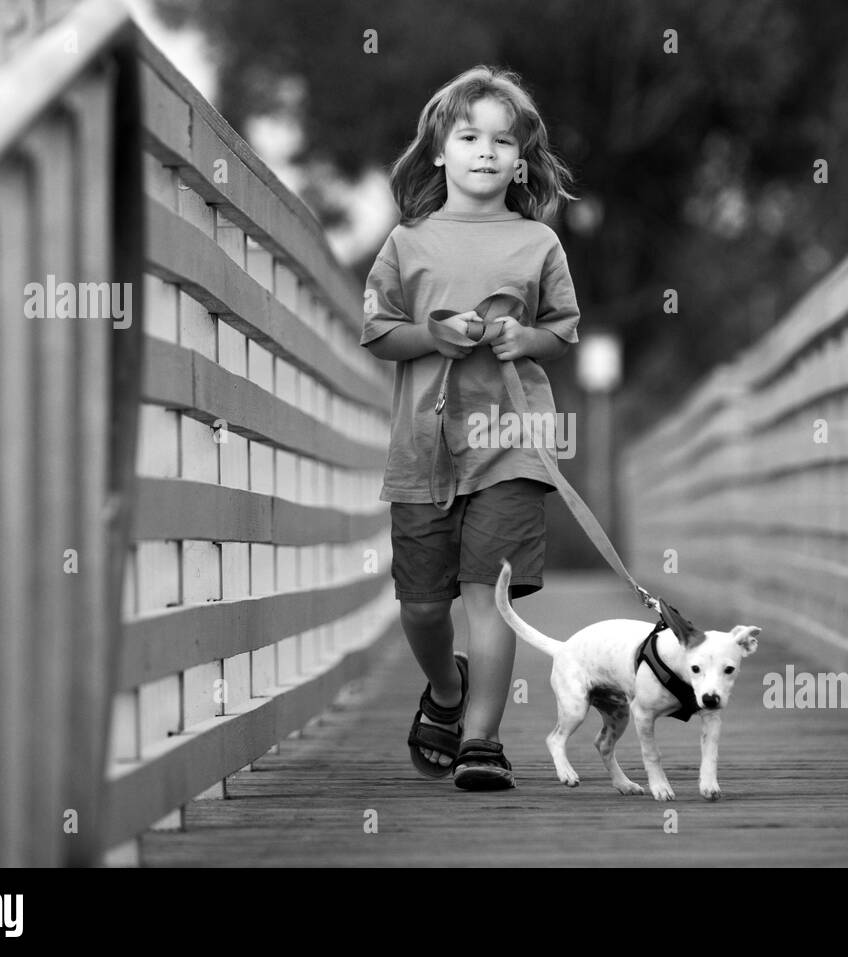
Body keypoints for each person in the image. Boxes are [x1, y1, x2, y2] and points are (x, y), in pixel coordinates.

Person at [358, 64, 580, 790]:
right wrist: (431, 334)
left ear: (521, 162)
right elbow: (380, 330)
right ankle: (447, 693)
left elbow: (563, 329)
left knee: (489, 591)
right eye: (469, 135)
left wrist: (526, 339)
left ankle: (483, 740)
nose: (486, 150)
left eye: (503, 141)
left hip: (511, 445)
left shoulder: (538, 244)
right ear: (438, 150)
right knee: (424, 604)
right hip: (424, 447)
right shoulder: (407, 241)